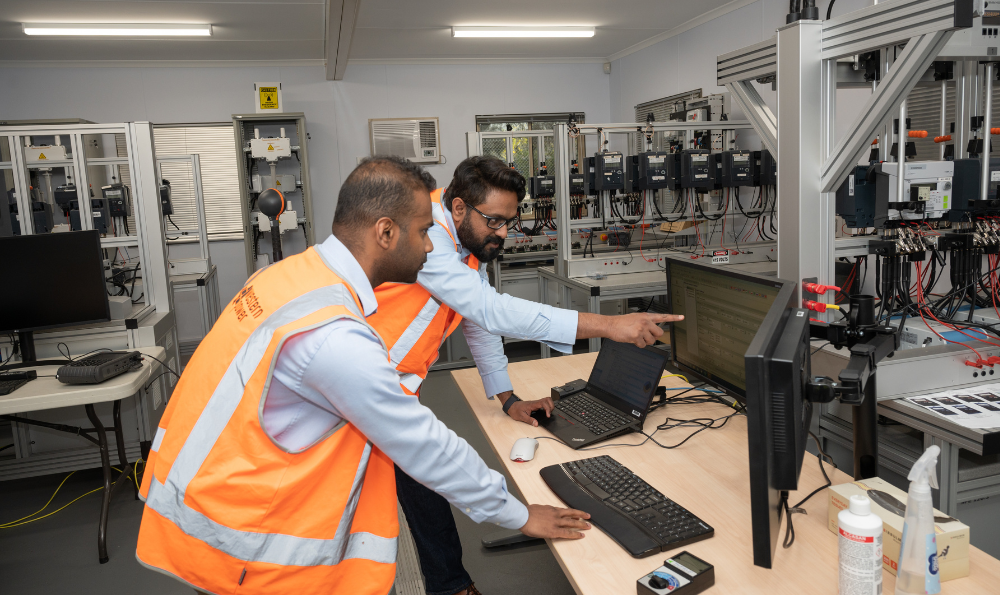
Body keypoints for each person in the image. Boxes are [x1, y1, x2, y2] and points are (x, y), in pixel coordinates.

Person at [134, 156, 591, 595]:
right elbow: (424, 445)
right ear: (386, 232)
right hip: (242, 546)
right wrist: (520, 514)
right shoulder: (335, 338)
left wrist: (506, 395)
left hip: (210, 498)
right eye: (424, 232)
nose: (432, 246)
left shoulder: (285, 277)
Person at [370, 155, 682, 595]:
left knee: (423, 482)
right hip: (368, 386)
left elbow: (476, 322)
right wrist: (610, 325)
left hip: (396, 387)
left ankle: (449, 584)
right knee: (407, 485)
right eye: (494, 221)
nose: (502, 234)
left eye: (509, 222)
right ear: (459, 209)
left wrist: (507, 398)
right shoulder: (431, 239)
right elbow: (492, 311)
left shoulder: (466, 245)